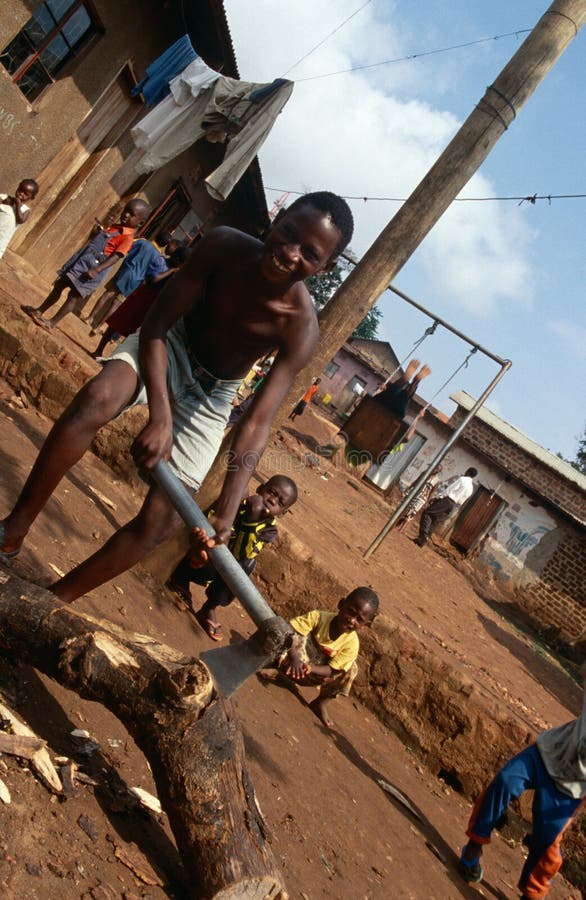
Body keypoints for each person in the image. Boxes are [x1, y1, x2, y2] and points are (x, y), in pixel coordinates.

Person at [0, 191, 354, 604]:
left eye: (309, 254)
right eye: (289, 233)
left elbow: (257, 421)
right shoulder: (223, 246)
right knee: (98, 397)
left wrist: (227, 511)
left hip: (214, 395)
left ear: (325, 267)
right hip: (170, 343)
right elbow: (155, 325)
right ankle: (13, 531)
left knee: (163, 519)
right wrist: (161, 417)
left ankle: (52, 602)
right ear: (278, 219)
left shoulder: (301, 329)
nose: (290, 253)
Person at [459, 674, 586, 899]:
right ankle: (474, 844)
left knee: (547, 841)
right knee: (504, 782)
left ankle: (531, 894)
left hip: (571, 789)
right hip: (548, 753)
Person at [168, 474, 297, 640]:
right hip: (200, 558)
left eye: (280, 502)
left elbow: (242, 554)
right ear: (260, 488)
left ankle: (209, 607)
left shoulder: (269, 531)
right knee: (204, 538)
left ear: (282, 513)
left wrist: (251, 520)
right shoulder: (236, 502)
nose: (272, 500)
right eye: (271, 492)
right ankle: (180, 577)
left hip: (221, 570)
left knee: (248, 563)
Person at [259, 587, 379, 728]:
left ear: (365, 625)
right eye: (351, 612)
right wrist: (295, 657)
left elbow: (332, 670)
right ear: (341, 604)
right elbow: (289, 630)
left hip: (311, 674)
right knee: (290, 633)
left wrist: (311, 669)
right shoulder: (318, 617)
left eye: (359, 619)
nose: (352, 620)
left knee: (351, 669)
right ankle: (274, 666)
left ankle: (319, 703)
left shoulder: (352, 644)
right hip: (291, 660)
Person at [22, 198, 150, 329]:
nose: (126, 215)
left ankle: (52, 323)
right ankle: (39, 311)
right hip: (81, 262)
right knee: (60, 285)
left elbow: (116, 257)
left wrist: (97, 270)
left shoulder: (127, 238)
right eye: (126, 210)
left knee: (73, 297)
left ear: (140, 223)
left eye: (131, 214)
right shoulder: (115, 228)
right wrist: (96, 234)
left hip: (93, 269)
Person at [91, 245, 190, 358]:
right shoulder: (160, 261)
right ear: (177, 259)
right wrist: (171, 271)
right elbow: (154, 279)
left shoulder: (177, 274)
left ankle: (116, 357)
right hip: (141, 296)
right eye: (182, 264)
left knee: (133, 333)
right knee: (116, 322)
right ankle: (99, 350)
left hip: (152, 304)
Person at [87, 230, 179, 334]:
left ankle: (90, 317)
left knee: (108, 294)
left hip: (126, 271)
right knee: (116, 304)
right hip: (136, 281)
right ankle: (98, 327)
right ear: (164, 245)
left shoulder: (143, 242)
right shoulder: (158, 257)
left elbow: (128, 250)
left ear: (156, 236)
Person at [415, 466, 477, 547]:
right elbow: (462, 501)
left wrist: (437, 497)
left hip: (446, 500)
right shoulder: (471, 488)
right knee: (435, 520)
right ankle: (423, 540)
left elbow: (449, 490)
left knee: (427, 513)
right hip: (453, 505)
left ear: (468, 472)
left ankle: (423, 536)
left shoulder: (462, 479)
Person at [0, 179, 39, 259]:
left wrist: (18, 204)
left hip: (2, 239)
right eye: (20, 190)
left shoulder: (25, 210)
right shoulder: (5, 198)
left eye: (25, 194)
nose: (21, 193)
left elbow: (20, 220)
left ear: (31, 197)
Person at [396, 465, 442, 532]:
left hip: (422, 498)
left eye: (437, 469)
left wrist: (427, 502)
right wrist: (409, 488)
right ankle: (397, 524)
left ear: (439, 471)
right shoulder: (425, 473)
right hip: (414, 492)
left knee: (413, 511)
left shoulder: (437, 481)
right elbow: (416, 481)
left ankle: (402, 528)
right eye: (435, 467)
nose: (435, 469)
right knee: (406, 508)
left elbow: (432, 492)